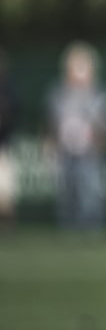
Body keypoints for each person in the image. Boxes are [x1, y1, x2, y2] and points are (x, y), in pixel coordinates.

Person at [46, 41, 106, 233]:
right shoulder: (59, 93)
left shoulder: (98, 93)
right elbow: (52, 123)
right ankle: (69, 229)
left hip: (89, 152)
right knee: (67, 192)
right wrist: (51, 146)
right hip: (65, 150)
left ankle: (92, 229)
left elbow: (104, 123)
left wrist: (99, 144)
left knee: (90, 192)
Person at [0, 47, 19, 230]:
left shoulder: (6, 87)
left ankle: (7, 225)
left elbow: (12, 112)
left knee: (5, 191)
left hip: (2, 144)